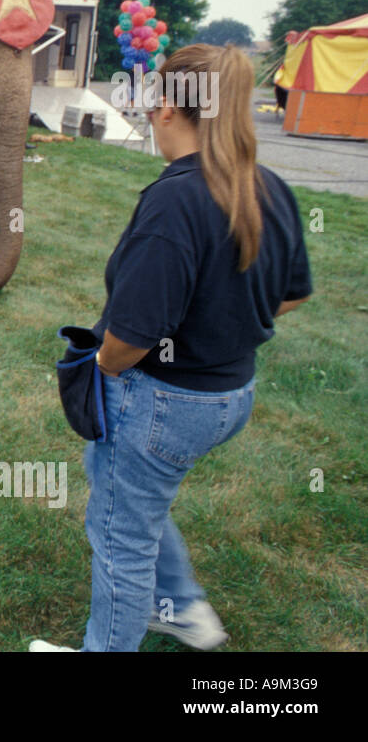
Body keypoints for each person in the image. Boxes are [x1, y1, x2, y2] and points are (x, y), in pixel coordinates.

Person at [31, 44, 313, 652]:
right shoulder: (268, 187)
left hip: (163, 402)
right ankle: (182, 607)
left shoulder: (175, 201)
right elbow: (291, 295)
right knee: (132, 497)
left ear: (166, 109)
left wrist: (102, 367)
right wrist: (226, 321)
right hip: (231, 395)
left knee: (119, 538)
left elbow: (130, 336)